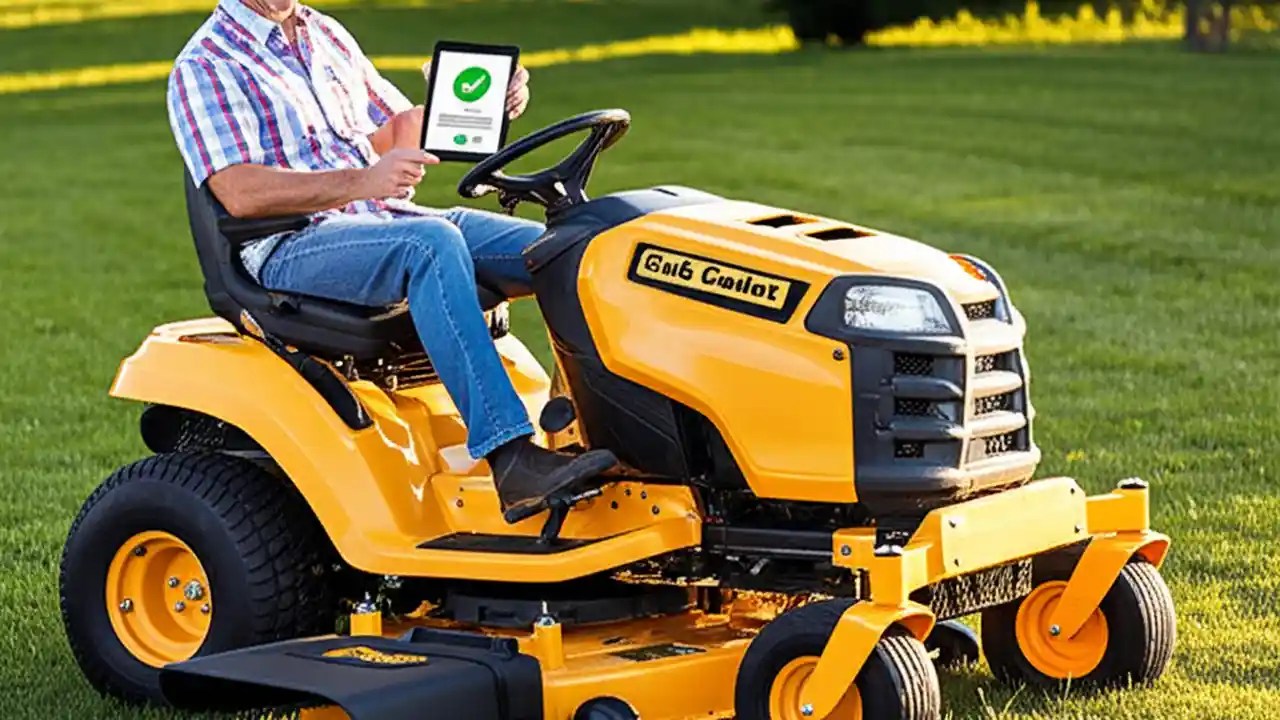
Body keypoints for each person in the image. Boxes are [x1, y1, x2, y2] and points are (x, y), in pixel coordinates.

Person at [167, 0, 615, 520]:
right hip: (291, 243)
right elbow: (239, 191)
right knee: (431, 244)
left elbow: (396, 129)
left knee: (566, 250)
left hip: (381, 217)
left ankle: (608, 431)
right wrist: (364, 181)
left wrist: (482, 104)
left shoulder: (322, 33)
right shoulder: (207, 63)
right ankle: (512, 460)